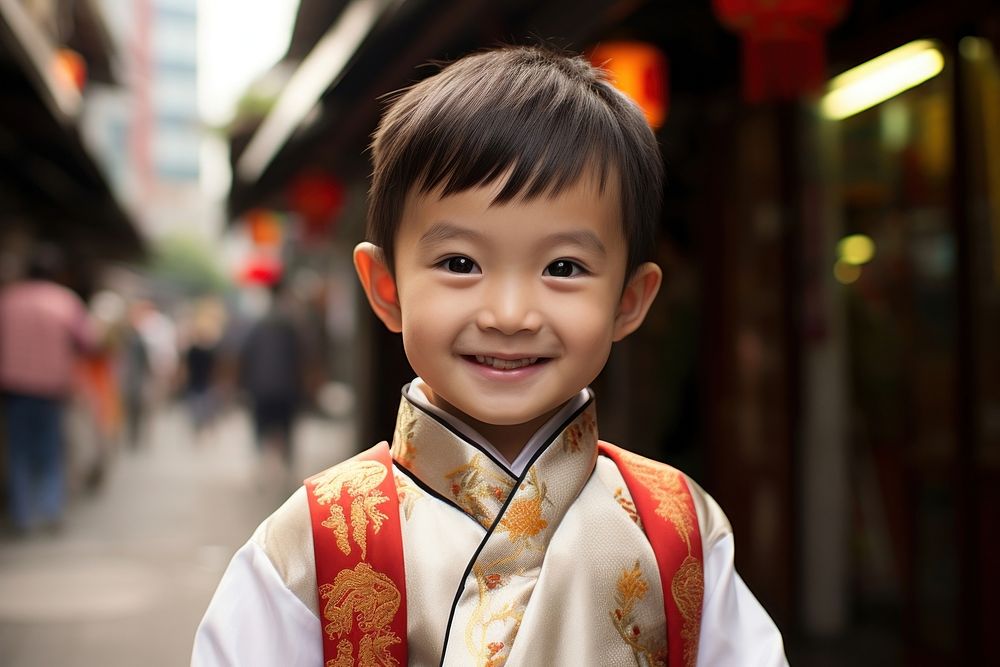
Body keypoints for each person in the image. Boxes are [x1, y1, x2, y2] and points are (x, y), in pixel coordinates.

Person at [193, 46, 787, 666]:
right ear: (385, 288)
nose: (508, 314)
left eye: (563, 267)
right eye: (460, 264)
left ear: (629, 302)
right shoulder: (314, 545)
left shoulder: (679, 529)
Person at [0, 250, 96, 533]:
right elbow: (88, 342)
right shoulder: (64, 302)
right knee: (51, 452)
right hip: (53, 388)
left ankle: (22, 515)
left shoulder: (8, 300)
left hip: (14, 388)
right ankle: (51, 508)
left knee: (19, 451)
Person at [238, 283, 305, 467]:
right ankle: (285, 463)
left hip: (261, 387)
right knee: (285, 428)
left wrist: (243, 385)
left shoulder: (258, 326)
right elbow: (301, 358)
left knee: (261, 428)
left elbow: (245, 356)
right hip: (286, 388)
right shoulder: (290, 326)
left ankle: (264, 463)